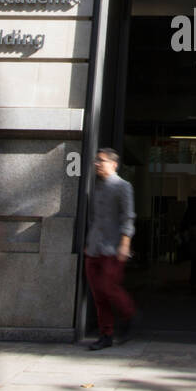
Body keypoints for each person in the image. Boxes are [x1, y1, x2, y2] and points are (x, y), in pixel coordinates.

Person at [84, 148, 136, 350]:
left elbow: (128, 216)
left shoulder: (123, 186)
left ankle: (129, 315)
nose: (97, 163)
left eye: (101, 160)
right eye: (96, 160)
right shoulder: (96, 187)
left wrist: (125, 243)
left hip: (113, 248)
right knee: (98, 295)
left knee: (109, 288)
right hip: (94, 248)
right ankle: (106, 334)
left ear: (114, 164)